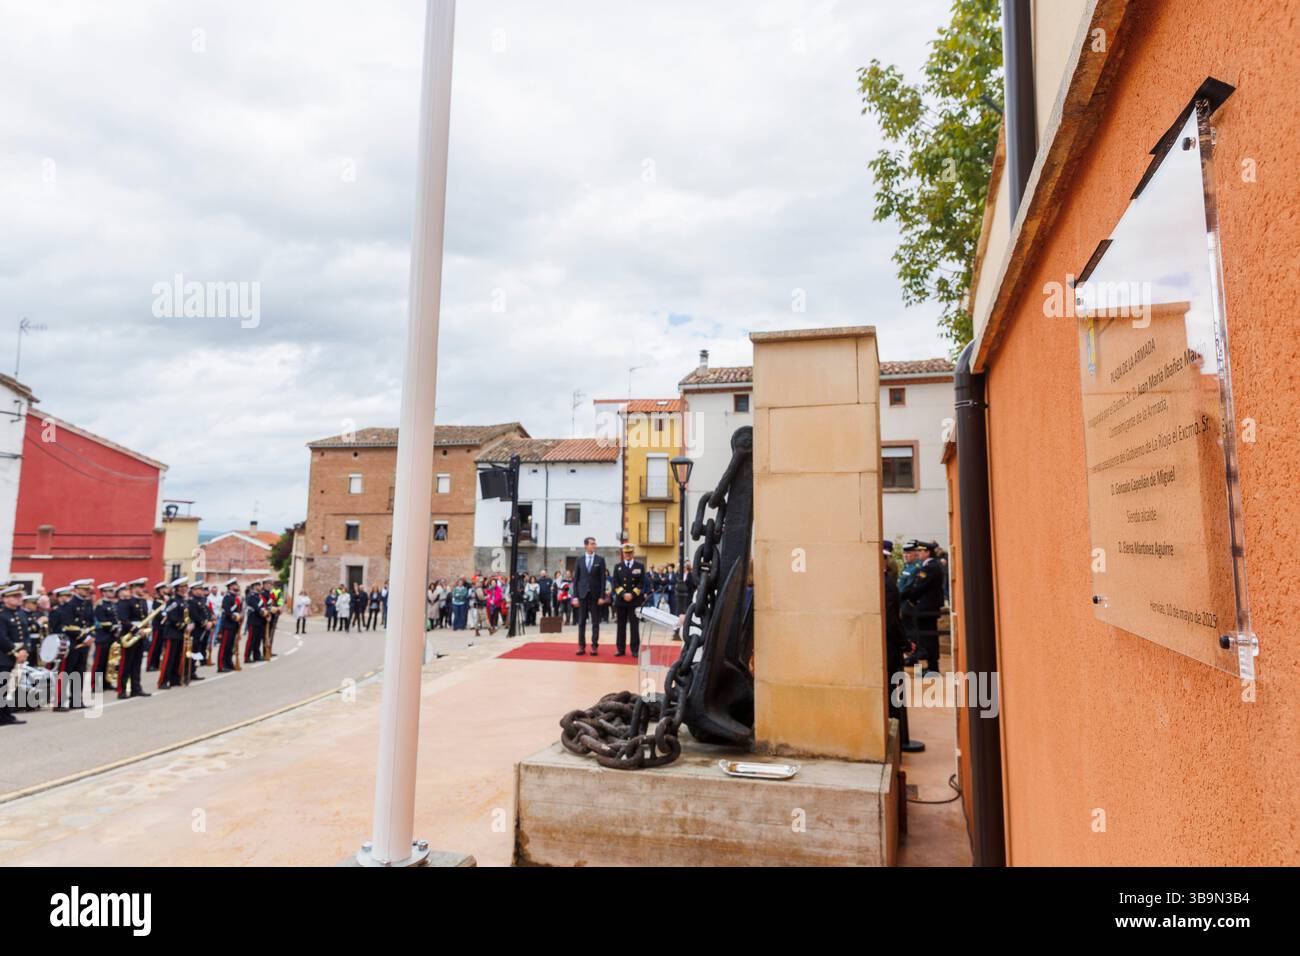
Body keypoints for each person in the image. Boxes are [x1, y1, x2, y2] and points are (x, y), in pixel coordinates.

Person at [901, 540, 944, 676]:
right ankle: (931, 666)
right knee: (927, 638)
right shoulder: (930, 566)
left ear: (927, 552)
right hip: (926, 608)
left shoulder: (930, 567)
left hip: (927, 609)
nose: (918, 554)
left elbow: (919, 587)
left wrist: (907, 597)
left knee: (928, 639)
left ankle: (933, 668)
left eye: (920, 551)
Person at [570, 537, 607, 656]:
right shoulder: (579, 560)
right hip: (582, 595)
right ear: (586, 545)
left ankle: (594, 646)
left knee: (595, 622)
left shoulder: (600, 560)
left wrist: (602, 596)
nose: (594, 545)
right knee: (581, 622)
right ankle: (581, 646)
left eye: (595, 543)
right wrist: (575, 597)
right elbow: (576, 580)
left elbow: (603, 579)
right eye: (592, 543)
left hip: (595, 596)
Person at [1, 584, 31, 724]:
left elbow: (25, 635)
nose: (19, 599)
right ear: (5, 599)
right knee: (3, 686)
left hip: (18, 655)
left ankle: (7, 715)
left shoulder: (20, 613)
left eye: (20, 596)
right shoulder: (2, 614)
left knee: (10, 686)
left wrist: (25, 650)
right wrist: (15, 652)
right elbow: (2, 637)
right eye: (15, 596)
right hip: (4, 656)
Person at [116, 579, 151, 699]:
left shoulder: (143, 602)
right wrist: (136, 630)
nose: (142, 589)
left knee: (137, 663)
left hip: (140, 636)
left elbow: (144, 618)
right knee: (126, 663)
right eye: (140, 587)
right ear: (134, 588)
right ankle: (122, 690)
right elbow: (123, 620)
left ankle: (136, 688)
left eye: (143, 587)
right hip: (129, 635)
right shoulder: (126, 602)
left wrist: (146, 629)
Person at [158, 578, 192, 690]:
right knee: (169, 658)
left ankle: (174, 678)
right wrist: (184, 626)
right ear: (178, 589)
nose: (185, 589)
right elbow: (172, 618)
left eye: (186, 587)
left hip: (181, 634)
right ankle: (163, 681)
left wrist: (190, 624)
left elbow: (186, 617)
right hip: (172, 633)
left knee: (178, 657)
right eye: (183, 587)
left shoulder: (183, 601)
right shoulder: (173, 601)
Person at [611, 543, 645, 657]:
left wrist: (632, 594)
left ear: (633, 553)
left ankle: (635, 649)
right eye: (626, 553)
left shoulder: (640, 566)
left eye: (630, 552)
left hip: (634, 601)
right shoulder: (618, 566)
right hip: (621, 601)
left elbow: (641, 583)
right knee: (621, 626)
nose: (628, 555)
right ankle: (620, 649)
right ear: (623, 553)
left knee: (634, 626)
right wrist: (623, 594)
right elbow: (615, 583)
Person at [218, 579, 243, 671]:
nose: (237, 586)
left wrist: (240, 617)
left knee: (230, 646)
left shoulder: (236, 597)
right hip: (227, 625)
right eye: (235, 584)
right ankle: (221, 666)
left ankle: (228, 663)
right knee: (224, 646)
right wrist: (235, 616)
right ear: (230, 586)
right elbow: (227, 611)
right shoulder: (227, 597)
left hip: (234, 625)